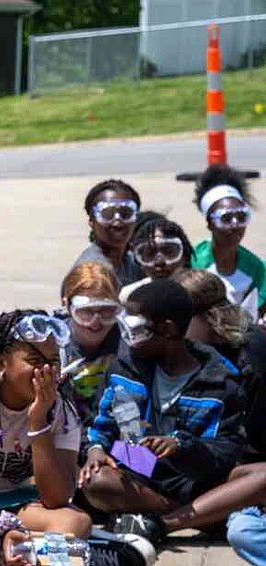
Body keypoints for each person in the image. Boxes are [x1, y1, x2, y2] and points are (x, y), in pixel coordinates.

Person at [78, 280, 245, 546]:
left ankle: (157, 517)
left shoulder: (220, 382)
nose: (126, 336)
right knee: (96, 480)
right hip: (139, 467)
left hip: (193, 479)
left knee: (255, 477)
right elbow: (96, 422)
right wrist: (95, 449)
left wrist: (181, 445)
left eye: (135, 328)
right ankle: (190, 515)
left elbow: (226, 450)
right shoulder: (124, 369)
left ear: (167, 329)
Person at [0, 310, 91, 566]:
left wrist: (38, 421)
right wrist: (0, 531)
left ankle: (18, 554)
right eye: (33, 359)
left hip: (20, 506)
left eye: (53, 360)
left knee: (76, 522)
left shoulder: (60, 410)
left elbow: (56, 498)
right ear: (1, 363)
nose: (45, 369)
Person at [59, 262, 122, 458]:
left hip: (112, 440)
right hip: (63, 439)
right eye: (86, 312)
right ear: (66, 305)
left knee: (150, 466)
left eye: (106, 311)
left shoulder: (127, 344)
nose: (96, 322)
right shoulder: (53, 345)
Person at [191, 164, 265, 322]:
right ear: (210, 223)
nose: (235, 225)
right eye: (226, 218)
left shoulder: (256, 267)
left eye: (241, 217)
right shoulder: (193, 260)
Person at [72, 179, 145, 287]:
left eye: (126, 214)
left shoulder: (131, 262)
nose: (117, 224)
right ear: (92, 222)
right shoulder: (92, 274)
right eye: (107, 215)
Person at [119, 214, 193, 304]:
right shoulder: (129, 297)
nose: (159, 262)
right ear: (139, 261)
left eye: (169, 252)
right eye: (149, 254)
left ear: (184, 255)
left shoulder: (201, 290)